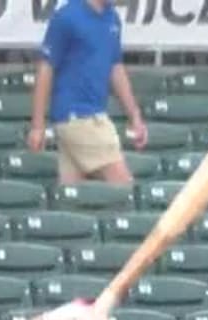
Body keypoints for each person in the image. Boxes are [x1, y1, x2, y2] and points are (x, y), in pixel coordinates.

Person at [26, 0, 148, 185]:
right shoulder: (67, 16)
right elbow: (46, 68)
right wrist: (37, 126)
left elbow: (116, 68)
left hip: (87, 116)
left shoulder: (112, 18)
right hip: (79, 117)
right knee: (124, 189)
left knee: (73, 193)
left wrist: (135, 116)